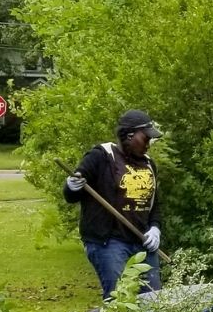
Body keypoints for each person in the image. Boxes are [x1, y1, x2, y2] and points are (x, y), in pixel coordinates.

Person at [64, 109, 164, 300]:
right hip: (108, 243)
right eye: (146, 138)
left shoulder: (149, 164)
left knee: (154, 301)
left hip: (142, 241)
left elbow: (154, 204)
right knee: (119, 301)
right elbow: (71, 196)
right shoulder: (101, 156)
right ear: (129, 135)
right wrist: (71, 186)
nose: (149, 144)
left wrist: (155, 228)